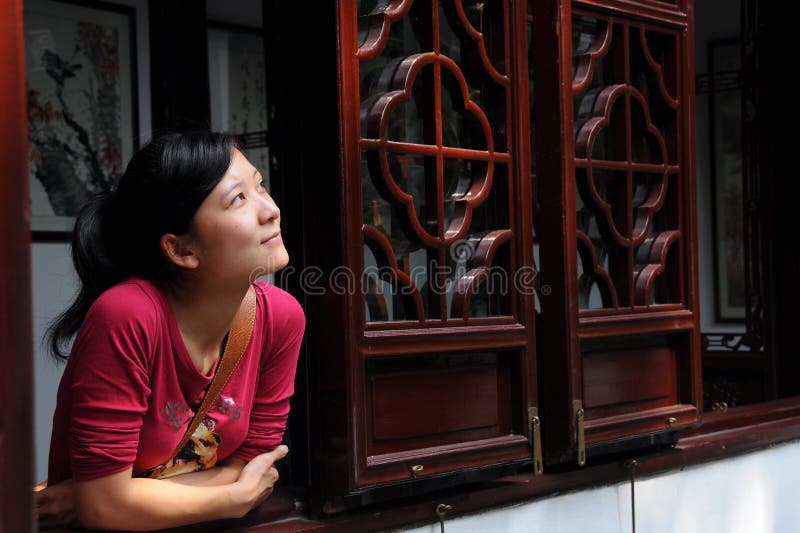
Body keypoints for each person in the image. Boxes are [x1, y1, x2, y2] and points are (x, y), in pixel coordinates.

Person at [34, 131, 305, 531]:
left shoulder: (281, 318)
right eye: (238, 199)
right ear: (182, 250)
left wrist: (122, 495)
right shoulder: (128, 316)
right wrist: (232, 499)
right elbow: (104, 509)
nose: (270, 210)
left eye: (259, 186)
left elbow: (254, 467)